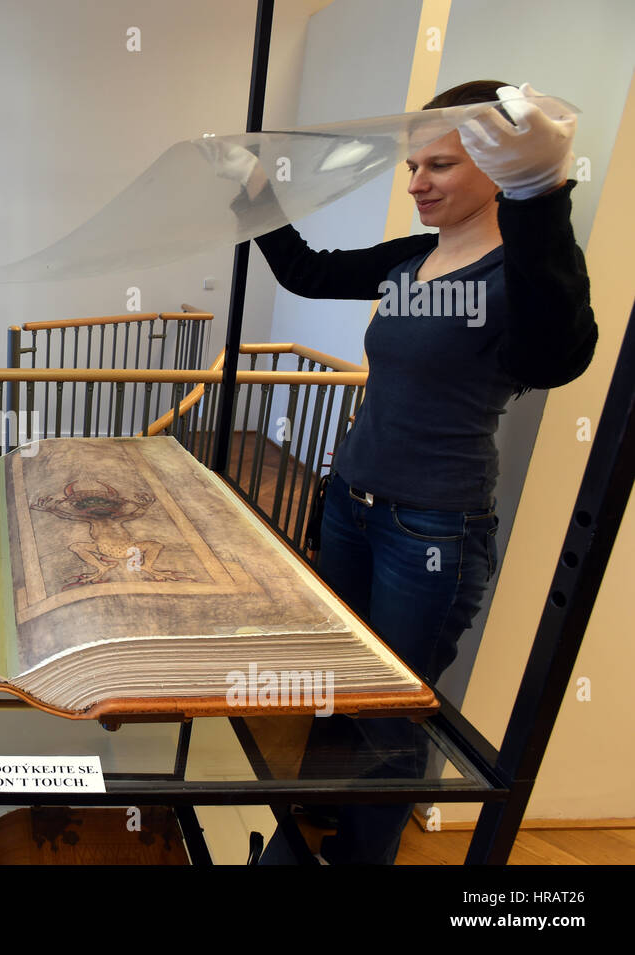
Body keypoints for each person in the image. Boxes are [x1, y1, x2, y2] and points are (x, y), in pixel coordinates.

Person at [216, 80, 597, 864]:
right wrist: (253, 189)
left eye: (441, 166)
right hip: (352, 507)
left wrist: (542, 197)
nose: (416, 182)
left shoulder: (518, 274)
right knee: (340, 694)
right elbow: (309, 273)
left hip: (430, 530)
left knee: (391, 718)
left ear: (498, 167)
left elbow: (559, 355)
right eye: (413, 164)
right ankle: (311, 835)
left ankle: (361, 858)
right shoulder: (417, 256)